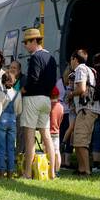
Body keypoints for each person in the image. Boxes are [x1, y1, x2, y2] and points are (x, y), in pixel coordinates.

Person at [19, 27, 58, 180]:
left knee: (29, 136)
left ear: (35, 41)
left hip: (33, 98)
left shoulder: (35, 57)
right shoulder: (51, 58)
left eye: (27, 42)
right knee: (46, 136)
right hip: (46, 99)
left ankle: (28, 173)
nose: (25, 45)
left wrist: (24, 89)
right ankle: (52, 173)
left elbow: (33, 78)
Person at [65, 50, 100, 176]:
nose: (70, 63)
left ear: (75, 59)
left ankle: (86, 170)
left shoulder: (80, 69)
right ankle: (81, 168)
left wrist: (71, 94)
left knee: (81, 141)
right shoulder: (87, 69)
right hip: (86, 109)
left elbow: (81, 88)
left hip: (87, 110)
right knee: (77, 140)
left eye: (71, 59)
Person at [0, 65, 21, 178]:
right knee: (11, 148)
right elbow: (19, 110)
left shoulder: (2, 94)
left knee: (1, 148)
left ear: (3, 82)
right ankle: (10, 172)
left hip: (1, 122)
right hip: (12, 121)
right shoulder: (18, 94)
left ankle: (0, 172)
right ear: (13, 81)